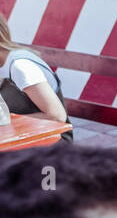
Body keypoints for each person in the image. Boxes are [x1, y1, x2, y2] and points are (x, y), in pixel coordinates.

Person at [0, 11, 71, 139]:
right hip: (17, 136)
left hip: (48, 143)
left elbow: (56, 116)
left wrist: (5, 123)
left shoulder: (21, 66)